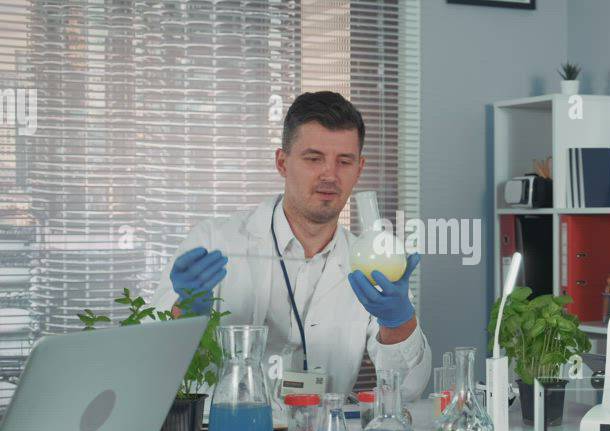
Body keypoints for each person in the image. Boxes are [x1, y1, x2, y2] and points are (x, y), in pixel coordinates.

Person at [152, 91, 431, 401]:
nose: (330, 175)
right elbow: (152, 363)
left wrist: (399, 322)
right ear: (282, 162)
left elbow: (407, 388)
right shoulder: (214, 242)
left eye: (344, 161)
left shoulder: (373, 263)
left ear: (359, 168)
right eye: (314, 159)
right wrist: (187, 310)